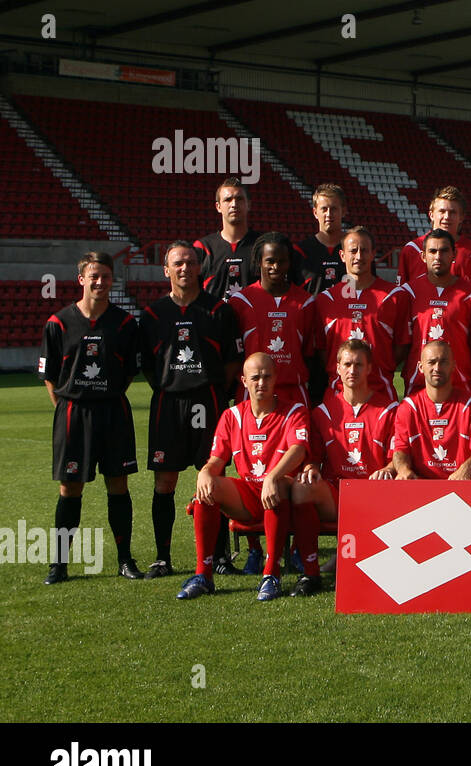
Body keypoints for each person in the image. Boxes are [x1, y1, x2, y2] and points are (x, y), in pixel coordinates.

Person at [38, 251, 143, 584]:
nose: (100, 282)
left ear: (113, 280)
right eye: (93, 276)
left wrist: (104, 394)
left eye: (106, 277)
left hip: (113, 410)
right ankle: (59, 564)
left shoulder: (124, 323)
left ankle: (125, 560)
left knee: (118, 484)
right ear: (81, 279)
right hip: (73, 413)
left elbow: (129, 371)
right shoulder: (58, 323)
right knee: (70, 489)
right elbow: (50, 376)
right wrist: (69, 405)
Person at [138, 240, 240, 579]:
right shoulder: (152, 315)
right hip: (168, 403)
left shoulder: (219, 310)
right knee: (165, 481)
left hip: (209, 400)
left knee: (214, 479)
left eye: (191, 263)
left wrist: (214, 391)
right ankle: (162, 557)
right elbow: (150, 367)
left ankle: (221, 556)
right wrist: (172, 387)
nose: (185, 268)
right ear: (166, 270)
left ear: (200, 268)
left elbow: (230, 363)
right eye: (178, 264)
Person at [176, 353, 309, 601]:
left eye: (267, 377)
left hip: (284, 494)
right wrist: (205, 472)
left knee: (278, 483)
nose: (261, 383)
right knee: (208, 489)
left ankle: (271, 574)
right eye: (255, 378)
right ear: (244, 381)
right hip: (249, 495)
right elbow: (217, 458)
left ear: (276, 378)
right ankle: (204, 575)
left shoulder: (294, 410)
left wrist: (273, 476)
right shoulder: (232, 415)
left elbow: (298, 449)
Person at [290, 340, 398, 597]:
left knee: (387, 484)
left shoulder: (390, 409)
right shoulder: (323, 412)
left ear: (370, 368)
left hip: (375, 494)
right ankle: (310, 572)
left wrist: (388, 468)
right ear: (337, 368)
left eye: (359, 364)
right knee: (302, 488)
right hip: (337, 495)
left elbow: (399, 458)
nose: (353, 370)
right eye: (347, 364)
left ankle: (364, 565)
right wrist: (311, 468)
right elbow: (313, 458)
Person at [313, 226, 408, 403]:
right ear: (342, 255)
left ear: (373, 254)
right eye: (353, 250)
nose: (358, 256)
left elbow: (401, 346)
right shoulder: (325, 300)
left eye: (364, 250)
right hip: (339, 396)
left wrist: (380, 367)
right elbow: (322, 349)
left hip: (381, 393)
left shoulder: (394, 296)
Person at [229, 231, 318, 410]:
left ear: (289, 262)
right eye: (270, 261)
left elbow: (309, 353)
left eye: (282, 261)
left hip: (293, 393)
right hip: (252, 394)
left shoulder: (306, 302)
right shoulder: (240, 302)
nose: (276, 266)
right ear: (259, 261)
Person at [390, 341, 471, 480]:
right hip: (420, 481)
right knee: (399, 479)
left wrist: (466, 468)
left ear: (453, 365)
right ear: (421, 367)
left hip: (460, 481)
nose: (437, 368)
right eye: (431, 362)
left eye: (443, 362)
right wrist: (403, 470)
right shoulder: (409, 406)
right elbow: (400, 449)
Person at [400, 228, 471, 396]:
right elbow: (402, 343)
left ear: (454, 254)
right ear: (423, 256)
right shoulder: (408, 292)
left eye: (444, 251)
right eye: (432, 251)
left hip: (460, 382)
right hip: (418, 381)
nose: (438, 256)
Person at [397, 186, 471, 287]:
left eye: (452, 212)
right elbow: (402, 294)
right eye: (442, 211)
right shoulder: (412, 249)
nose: (447, 217)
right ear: (431, 215)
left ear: (461, 217)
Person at [195, 178, 259, 300]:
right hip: (214, 318)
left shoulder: (263, 245)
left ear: (248, 204)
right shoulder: (203, 247)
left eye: (239, 199)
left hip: (255, 318)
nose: (234, 204)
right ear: (218, 206)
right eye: (228, 200)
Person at [294, 183, 348, 296]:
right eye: (324, 209)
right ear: (315, 212)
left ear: (343, 211)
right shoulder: (300, 251)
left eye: (333, 209)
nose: (328, 214)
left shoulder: (356, 250)